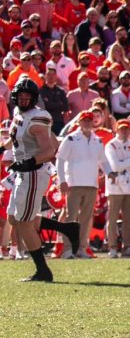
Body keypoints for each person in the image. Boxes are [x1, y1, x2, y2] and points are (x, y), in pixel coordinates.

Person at [7, 77, 79, 281]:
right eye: (20, 96)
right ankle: (67, 228)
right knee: (14, 218)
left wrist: (29, 162)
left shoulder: (38, 118)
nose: (23, 100)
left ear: (34, 98)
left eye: (27, 97)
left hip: (33, 173)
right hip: (22, 173)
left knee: (23, 222)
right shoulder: (18, 114)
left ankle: (43, 271)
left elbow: (49, 150)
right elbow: (16, 139)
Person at [55, 109, 105, 258]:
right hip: (74, 183)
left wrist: (111, 174)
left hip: (91, 183)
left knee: (86, 218)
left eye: (89, 121)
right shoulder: (70, 139)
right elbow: (60, 160)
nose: (87, 123)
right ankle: (68, 249)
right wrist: (62, 180)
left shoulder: (98, 140)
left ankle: (82, 248)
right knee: (71, 217)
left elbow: (103, 161)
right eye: (84, 121)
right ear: (79, 122)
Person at [103, 119, 130, 257]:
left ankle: (128, 247)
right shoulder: (111, 145)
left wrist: (125, 163)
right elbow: (114, 166)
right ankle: (112, 247)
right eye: (122, 129)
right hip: (115, 186)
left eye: (126, 129)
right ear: (117, 130)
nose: (125, 131)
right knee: (113, 217)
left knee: (128, 218)